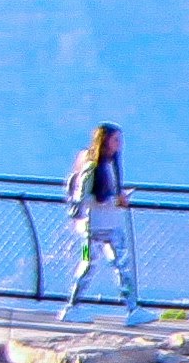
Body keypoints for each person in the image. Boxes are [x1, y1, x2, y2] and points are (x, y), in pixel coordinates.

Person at [54, 123, 143, 323]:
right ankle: (130, 309)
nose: (119, 144)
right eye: (115, 140)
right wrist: (114, 201)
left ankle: (129, 308)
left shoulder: (109, 164)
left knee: (109, 264)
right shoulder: (93, 167)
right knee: (98, 264)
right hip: (97, 228)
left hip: (102, 227)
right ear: (105, 141)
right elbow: (83, 198)